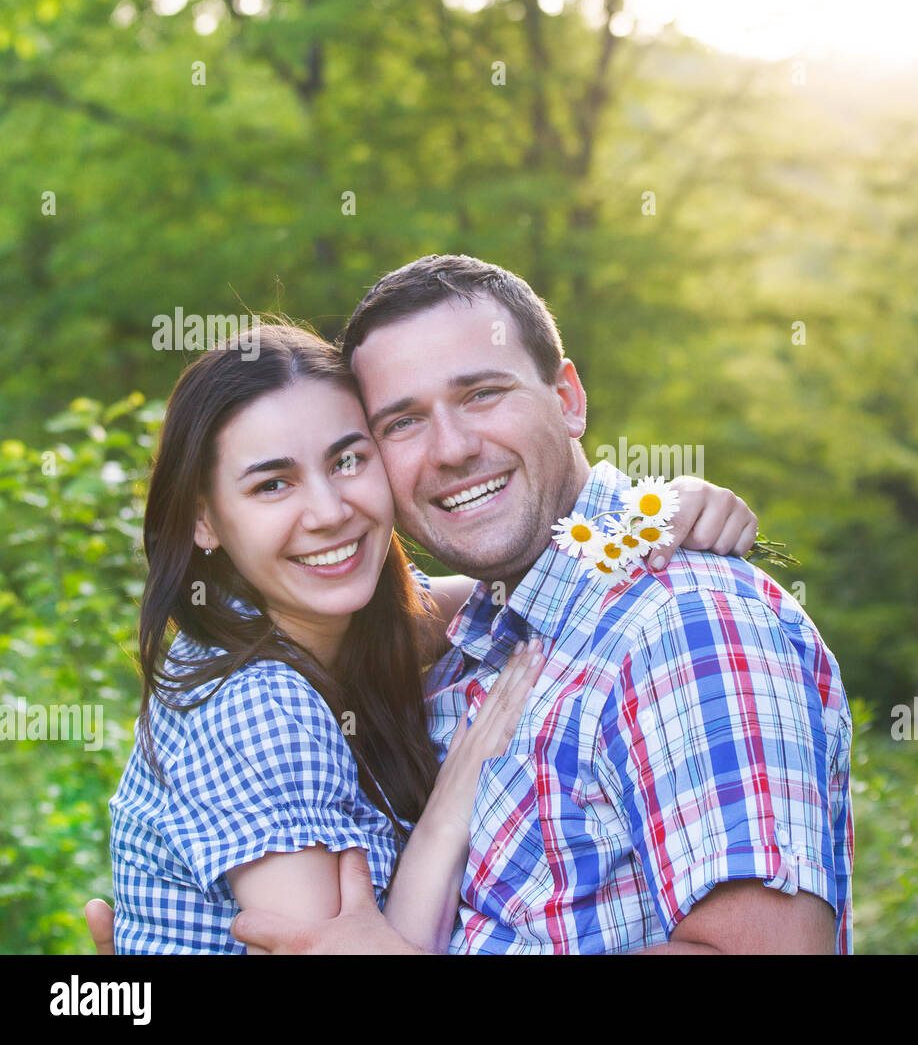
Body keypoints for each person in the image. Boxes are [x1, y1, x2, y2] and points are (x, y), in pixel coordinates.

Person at [227, 254, 855, 954]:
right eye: (402, 422)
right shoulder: (480, 637)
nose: (453, 449)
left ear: (568, 399)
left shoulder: (684, 622)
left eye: (482, 394)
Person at [98, 323, 761, 954]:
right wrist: (450, 808)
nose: (329, 512)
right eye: (273, 483)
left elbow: (515, 591)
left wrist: (650, 514)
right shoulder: (256, 703)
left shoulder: (341, 623)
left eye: (348, 459)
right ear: (203, 520)